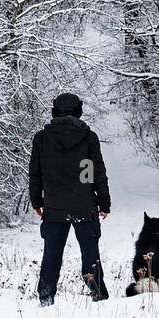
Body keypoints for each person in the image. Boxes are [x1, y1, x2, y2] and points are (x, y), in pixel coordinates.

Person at [29, 92, 111, 304]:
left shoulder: (42, 138)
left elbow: (35, 172)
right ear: (78, 110)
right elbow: (96, 172)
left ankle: (46, 298)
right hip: (85, 205)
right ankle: (98, 294)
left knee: (51, 256)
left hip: (54, 207)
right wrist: (104, 203)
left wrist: (36, 201)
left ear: (55, 109)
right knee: (90, 254)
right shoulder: (89, 137)